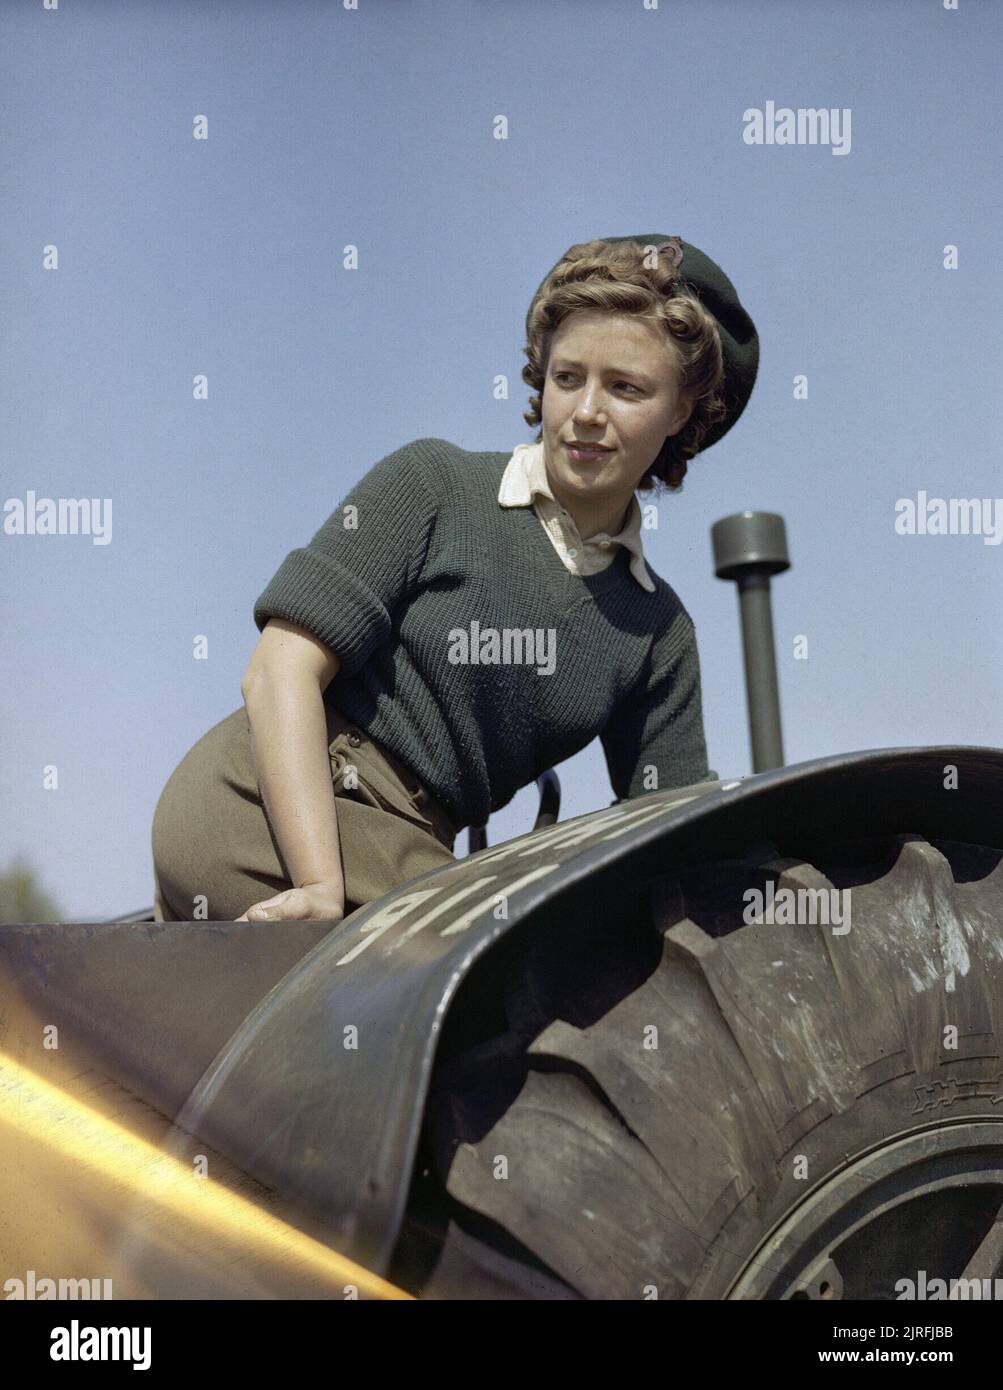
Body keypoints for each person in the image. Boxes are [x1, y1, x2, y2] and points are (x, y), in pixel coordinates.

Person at [151, 232, 759, 925]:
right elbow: (276, 671)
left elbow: (675, 830)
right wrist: (319, 884)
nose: (587, 412)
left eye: (625, 387)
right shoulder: (435, 486)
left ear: (680, 410)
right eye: (568, 378)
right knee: (507, 956)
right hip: (264, 810)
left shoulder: (657, 630)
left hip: (415, 854)